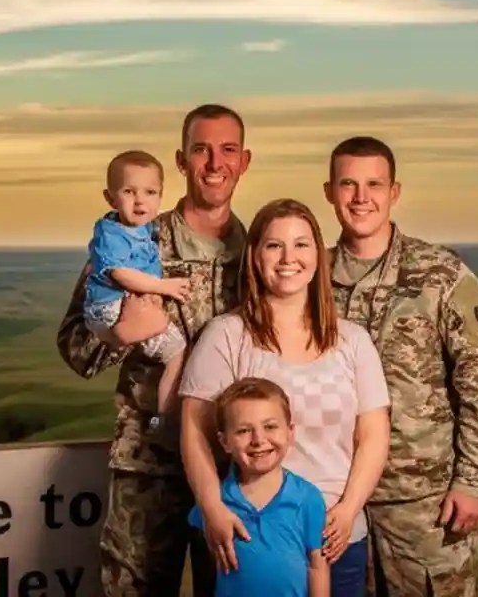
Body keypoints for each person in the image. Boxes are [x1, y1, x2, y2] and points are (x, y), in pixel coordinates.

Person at [57, 104, 252, 597]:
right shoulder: (134, 238)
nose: (214, 163)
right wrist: (122, 333)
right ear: (181, 161)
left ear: (244, 161)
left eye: (227, 150)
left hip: (235, 469)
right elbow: (77, 348)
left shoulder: (261, 253)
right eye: (201, 150)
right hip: (150, 464)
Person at [322, 136, 478, 597]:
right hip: (334, 497)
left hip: (423, 504)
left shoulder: (440, 274)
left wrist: (473, 480)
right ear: (329, 192)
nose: (361, 197)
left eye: (374, 184)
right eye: (348, 184)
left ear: (395, 192)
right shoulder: (311, 278)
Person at [180, 198, 392, 597]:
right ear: (255, 256)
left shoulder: (353, 341)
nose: (288, 257)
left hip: (334, 534)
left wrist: (348, 510)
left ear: (318, 255)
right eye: (274, 245)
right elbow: (194, 431)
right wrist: (212, 508)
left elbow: (374, 436)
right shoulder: (226, 335)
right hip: (247, 534)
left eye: (301, 244)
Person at [83, 149, 192, 437]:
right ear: (110, 198)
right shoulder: (111, 234)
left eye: (150, 192)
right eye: (129, 191)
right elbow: (119, 273)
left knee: (176, 352)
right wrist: (119, 336)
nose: (140, 200)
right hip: (111, 309)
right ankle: (164, 418)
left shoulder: (146, 230)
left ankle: (167, 417)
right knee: (177, 352)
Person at [188, 377, 330, 597]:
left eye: (270, 426)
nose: (258, 439)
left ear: (290, 432)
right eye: (244, 430)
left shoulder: (307, 498)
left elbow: (317, 566)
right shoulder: (216, 504)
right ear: (224, 441)